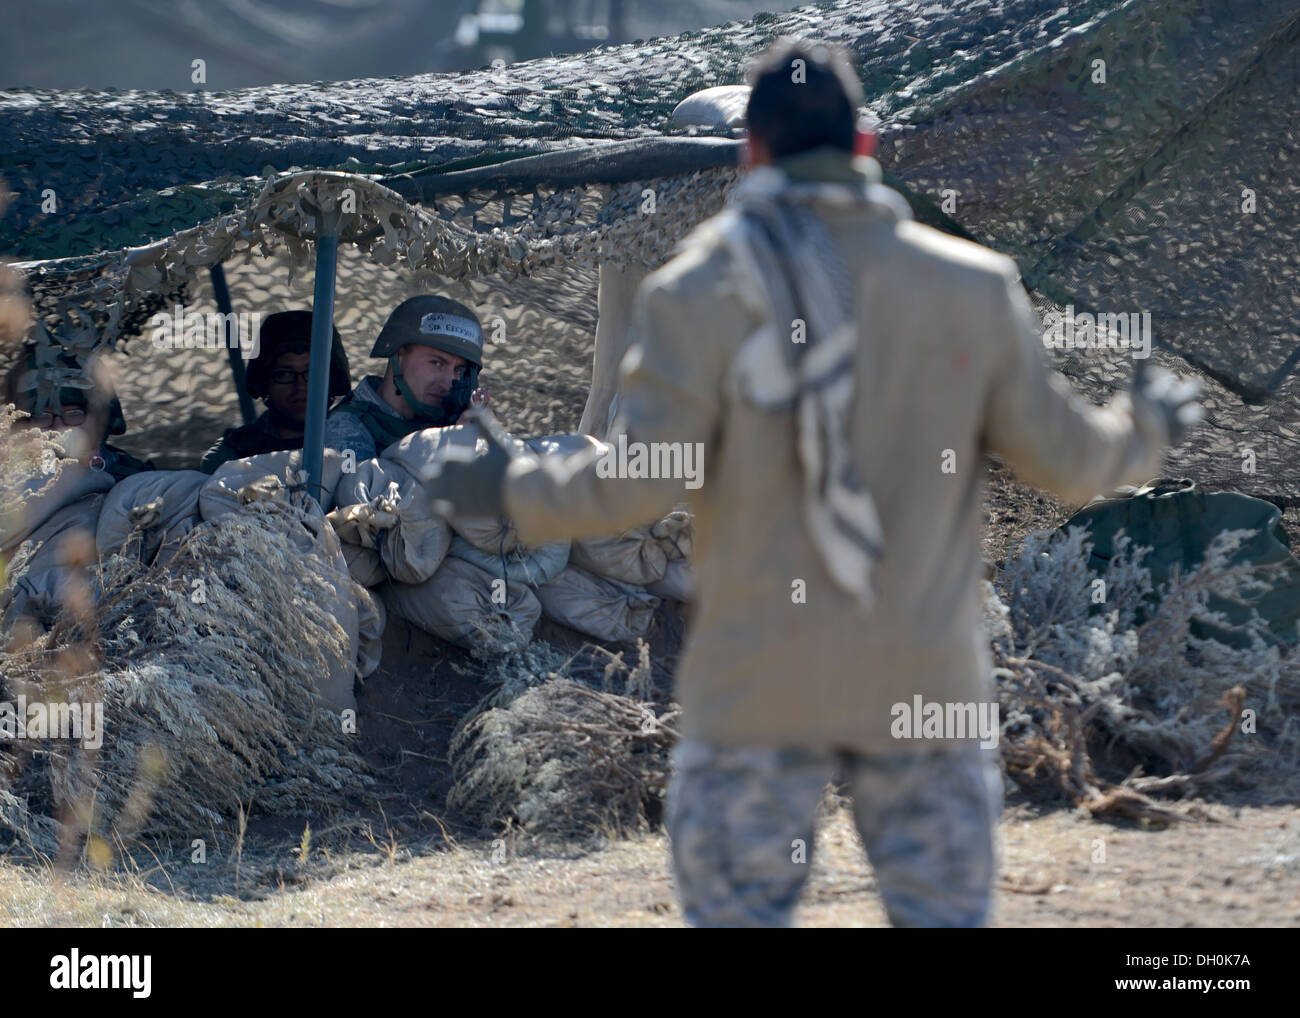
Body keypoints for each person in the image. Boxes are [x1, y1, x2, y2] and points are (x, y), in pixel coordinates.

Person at [422, 40, 1202, 927]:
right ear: (864, 148)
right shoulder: (971, 287)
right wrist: (1148, 429)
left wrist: (511, 486)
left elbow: (636, 485)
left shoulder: (698, 291)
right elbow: (1071, 465)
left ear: (749, 151)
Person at [324, 295, 483, 463]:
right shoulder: (345, 428)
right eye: (436, 363)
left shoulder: (450, 420)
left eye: (459, 370)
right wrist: (452, 450)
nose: (448, 382)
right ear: (398, 355)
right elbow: (365, 487)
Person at [199, 310, 351, 473]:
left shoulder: (356, 443)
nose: (300, 386)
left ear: (333, 378)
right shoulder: (232, 457)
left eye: (313, 373)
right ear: (264, 381)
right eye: (284, 374)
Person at [6, 345, 154, 482]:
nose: (59, 427)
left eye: (74, 414)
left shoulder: (142, 482)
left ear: (102, 420)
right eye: (42, 416)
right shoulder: (9, 486)